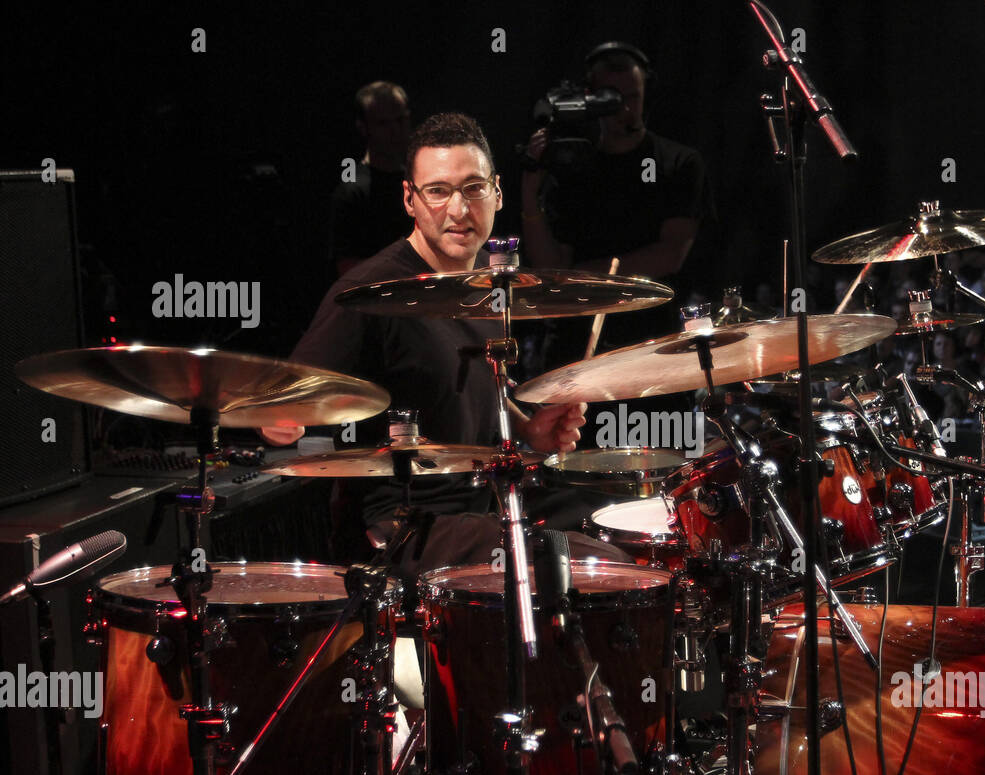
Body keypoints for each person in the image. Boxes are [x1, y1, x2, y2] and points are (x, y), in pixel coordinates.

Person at [262, 112, 618, 570]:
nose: (459, 209)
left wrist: (529, 429)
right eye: (438, 191)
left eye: (473, 188)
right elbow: (283, 400)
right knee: (580, 563)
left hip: (482, 503)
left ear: (498, 192)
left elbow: (465, 382)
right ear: (410, 199)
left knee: (616, 516)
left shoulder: (489, 286)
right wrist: (279, 417)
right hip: (403, 526)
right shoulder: (375, 294)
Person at [520, 41, 713, 363]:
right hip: (576, 345)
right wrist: (529, 191)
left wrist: (580, 276)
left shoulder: (678, 163)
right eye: (611, 99)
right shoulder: (572, 165)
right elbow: (549, 266)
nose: (624, 108)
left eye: (632, 97)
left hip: (653, 343)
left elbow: (669, 255)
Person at [328, 81, 413, 277]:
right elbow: (348, 269)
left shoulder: (420, 180)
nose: (395, 131)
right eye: (383, 123)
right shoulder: (351, 192)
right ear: (363, 127)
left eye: (400, 120)